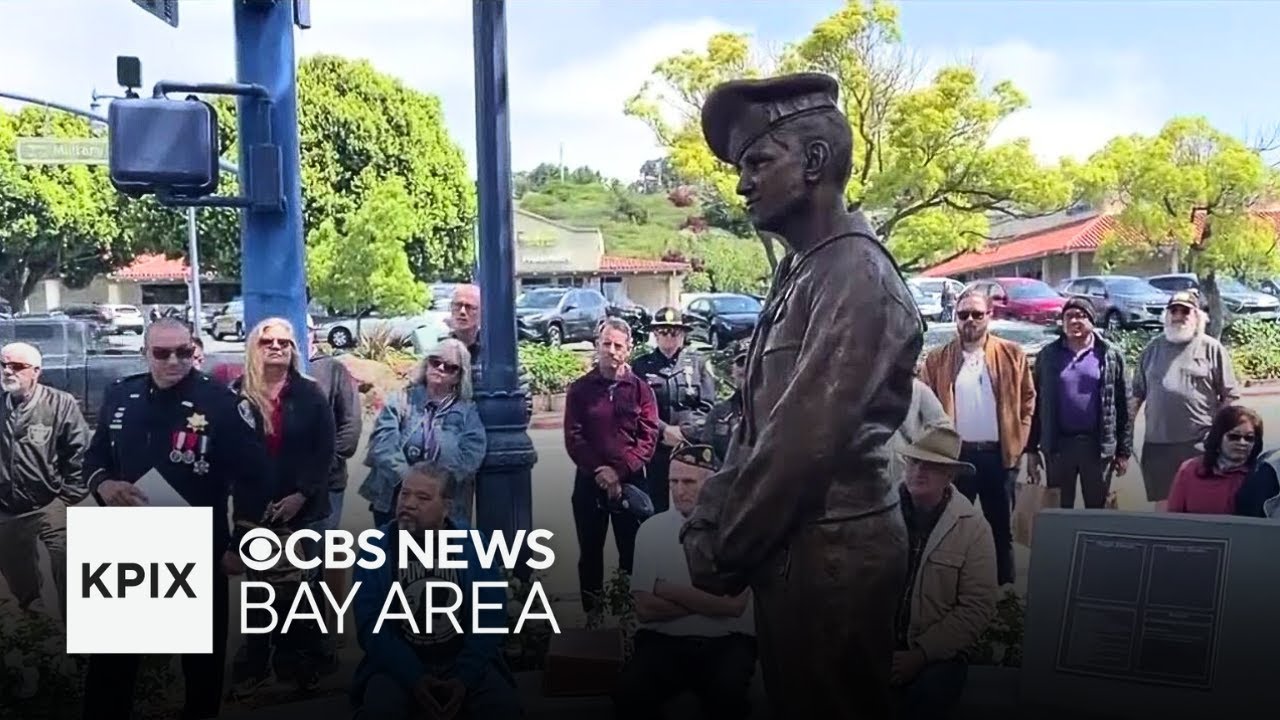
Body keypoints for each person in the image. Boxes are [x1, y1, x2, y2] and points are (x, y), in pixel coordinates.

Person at [681, 73, 923, 718]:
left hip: (835, 554)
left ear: (814, 161)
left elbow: (800, 444)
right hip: (799, 546)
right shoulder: (805, 269)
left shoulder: (854, 275)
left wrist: (725, 544)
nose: (741, 183)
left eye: (758, 160)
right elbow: (755, 424)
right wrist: (711, 513)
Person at [80, 317, 270, 720]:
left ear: (194, 349)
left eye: (183, 352)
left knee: (200, 669)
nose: (173, 361)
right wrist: (104, 485)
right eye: (162, 353)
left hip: (197, 545)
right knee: (111, 663)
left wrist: (241, 543)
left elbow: (255, 478)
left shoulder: (221, 403)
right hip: (127, 545)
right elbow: (94, 457)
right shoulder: (120, 396)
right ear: (145, 352)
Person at [350, 462, 522, 719]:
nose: (408, 503)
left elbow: (490, 619)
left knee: (504, 711)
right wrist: (414, 677)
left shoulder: (473, 545)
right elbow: (371, 626)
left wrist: (463, 677)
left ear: (447, 508)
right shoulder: (376, 548)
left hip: (464, 660)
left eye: (423, 497)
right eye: (404, 493)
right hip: (395, 665)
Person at [229, 317, 336, 697]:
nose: (276, 347)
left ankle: (300, 671)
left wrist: (301, 495)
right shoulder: (237, 394)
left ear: (294, 350)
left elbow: (324, 452)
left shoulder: (310, 395)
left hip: (302, 511)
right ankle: (257, 667)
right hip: (255, 513)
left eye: (285, 342)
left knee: (300, 595)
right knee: (259, 594)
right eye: (267, 341)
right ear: (254, 347)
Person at [614, 442, 756, 720]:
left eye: (689, 482)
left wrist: (666, 589)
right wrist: (713, 602)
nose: (679, 490)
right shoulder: (651, 531)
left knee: (728, 699)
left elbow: (735, 607)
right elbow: (645, 610)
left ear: (712, 484)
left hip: (726, 644)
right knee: (628, 694)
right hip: (663, 643)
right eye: (673, 481)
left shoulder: (734, 532)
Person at [919, 290, 1035, 586]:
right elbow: (924, 404)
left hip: (1000, 456)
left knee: (1000, 526)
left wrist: (1019, 441)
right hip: (957, 457)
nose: (970, 320)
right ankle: (955, 587)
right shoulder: (937, 359)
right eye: (963, 315)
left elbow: (1028, 400)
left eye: (976, 314)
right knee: (952, 525)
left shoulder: (1012, 354)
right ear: (955, 319)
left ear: (989, 316)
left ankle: (1004, 587)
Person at [892, 425, 998, 720]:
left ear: (949, 476)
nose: (918, 472)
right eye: (914, 462)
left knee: (927, 699)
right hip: (877, 641)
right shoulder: (881, 514)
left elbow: (977, 606)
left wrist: (921, 654)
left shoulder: (973, 527)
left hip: (937, 653)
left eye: (931, 466)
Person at [564, 317, 659, 615]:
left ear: (628, 349)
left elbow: (648, 436)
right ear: (597, 346)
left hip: (631, 483)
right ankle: (592, 617)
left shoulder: (641, 390)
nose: (612, 350)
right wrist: (601, 472)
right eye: (606, 344)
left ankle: (626, 618)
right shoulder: (580, 390)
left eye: (618, 345)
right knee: (590, 554)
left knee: (631, 553)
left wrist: (618, 472)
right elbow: (574, 437)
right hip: (589, 483)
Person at [0, 342, 90, 619]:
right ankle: (34, 612)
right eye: (3, 365)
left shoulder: (59, 403)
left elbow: (79, 448)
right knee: (16, 568)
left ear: (36, 371)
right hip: (6, 505)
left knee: (66, 558)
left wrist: (70, 493)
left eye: (16, 366)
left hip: (49, 500)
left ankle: (75, 620)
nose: (7, 371)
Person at [1131, 290, 1240, 511]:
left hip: (1199, 444)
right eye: (1174, 310)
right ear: (1166, 315)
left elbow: (1230, 396)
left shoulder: (1212, 348)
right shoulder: (1152, 349)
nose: (1179, 316)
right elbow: (1136, 396)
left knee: (1199, 506)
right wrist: (1124, 439)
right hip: (1158, 446)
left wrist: (1217, 435)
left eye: (1185, 311)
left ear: (1197, 316)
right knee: (1164, 509)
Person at [363, 338, 487, 528]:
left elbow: (473, 453)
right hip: (394, 499)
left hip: (443, 504)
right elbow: (383, 444)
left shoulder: (467, 410)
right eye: (435, 362)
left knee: (440, 556)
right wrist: (411, 481)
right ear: (426, 364)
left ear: (458, 376)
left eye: (450, 367)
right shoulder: (401, 399)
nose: (440, 369)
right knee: (394, 554)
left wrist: (439, 485)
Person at [1025, 298, 1132, 509]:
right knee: (1058, 510)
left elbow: (1124, 406)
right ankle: (1062, 543)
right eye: (1069, 316)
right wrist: (1031, 450)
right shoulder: (1048, 355)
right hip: (1058, 447)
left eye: (1081, 316)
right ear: (1062, 322)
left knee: (1098, 509)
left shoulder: (1110, 355)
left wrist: (1123, 452)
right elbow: (1035, 405)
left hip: (1097, 446)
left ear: (1092, 321)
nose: (1075, 321)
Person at [304, 316, 363, 652]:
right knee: (295, 560)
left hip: (328, 481)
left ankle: (330, 628)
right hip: (282, 485)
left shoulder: (331, 370)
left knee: (325, 553)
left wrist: (326, 459)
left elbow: (351, 426)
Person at [631, 307, 716, 512]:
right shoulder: (640, 367)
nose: (669, 337)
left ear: (683, 334)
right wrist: (663, 430)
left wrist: (685, 432)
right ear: (655, 335)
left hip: (690, 447)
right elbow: (636, 408)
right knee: (657, 507)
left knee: (691, 503)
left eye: (674, 332)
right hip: (657, 448)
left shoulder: (699, 364)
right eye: (663, 332)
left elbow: (708, 407)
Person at [1168, 405, 1262, 515]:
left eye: (1249, 438)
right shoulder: (1189, 470)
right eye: (1234, 437)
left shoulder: (1261, 474)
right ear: (1218, 437)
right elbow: (1173, 517)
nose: (1242, 443)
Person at [683, 340, 748, 465]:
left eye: (752, 361)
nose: (746, 367)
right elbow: (708, 457)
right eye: (741, 362)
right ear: (732, 370)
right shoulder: (719, 414)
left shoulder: (774, 411)